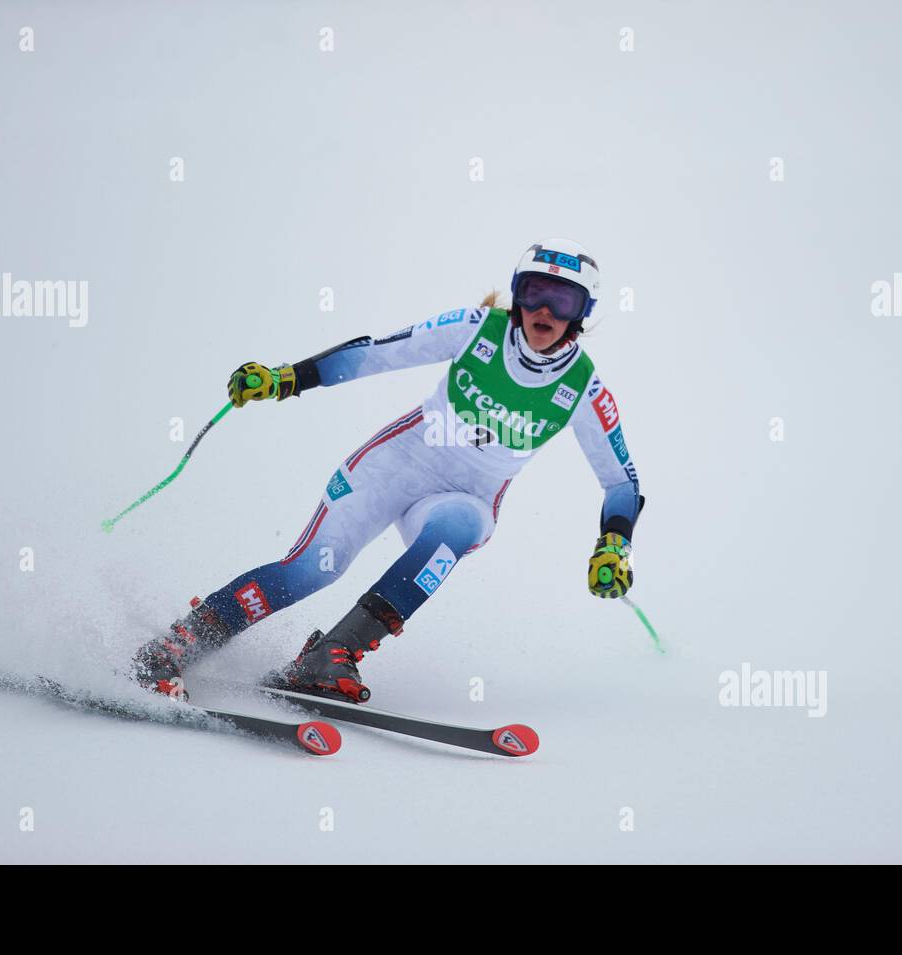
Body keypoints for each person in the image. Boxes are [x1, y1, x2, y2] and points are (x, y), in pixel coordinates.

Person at [132, 238, 644, 704]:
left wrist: (615, 544)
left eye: (565, 301)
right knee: (316, 568)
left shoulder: (583, 389)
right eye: (534, 292)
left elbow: (622, 482)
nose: (545, 310)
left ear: (582, 314)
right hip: (395, 465)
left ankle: (331, 654)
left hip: (465, 496)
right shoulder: (475, 329)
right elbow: (374, 355)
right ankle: (178, 644)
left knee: (460, 530)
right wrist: (287, 379)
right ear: (516, 293)